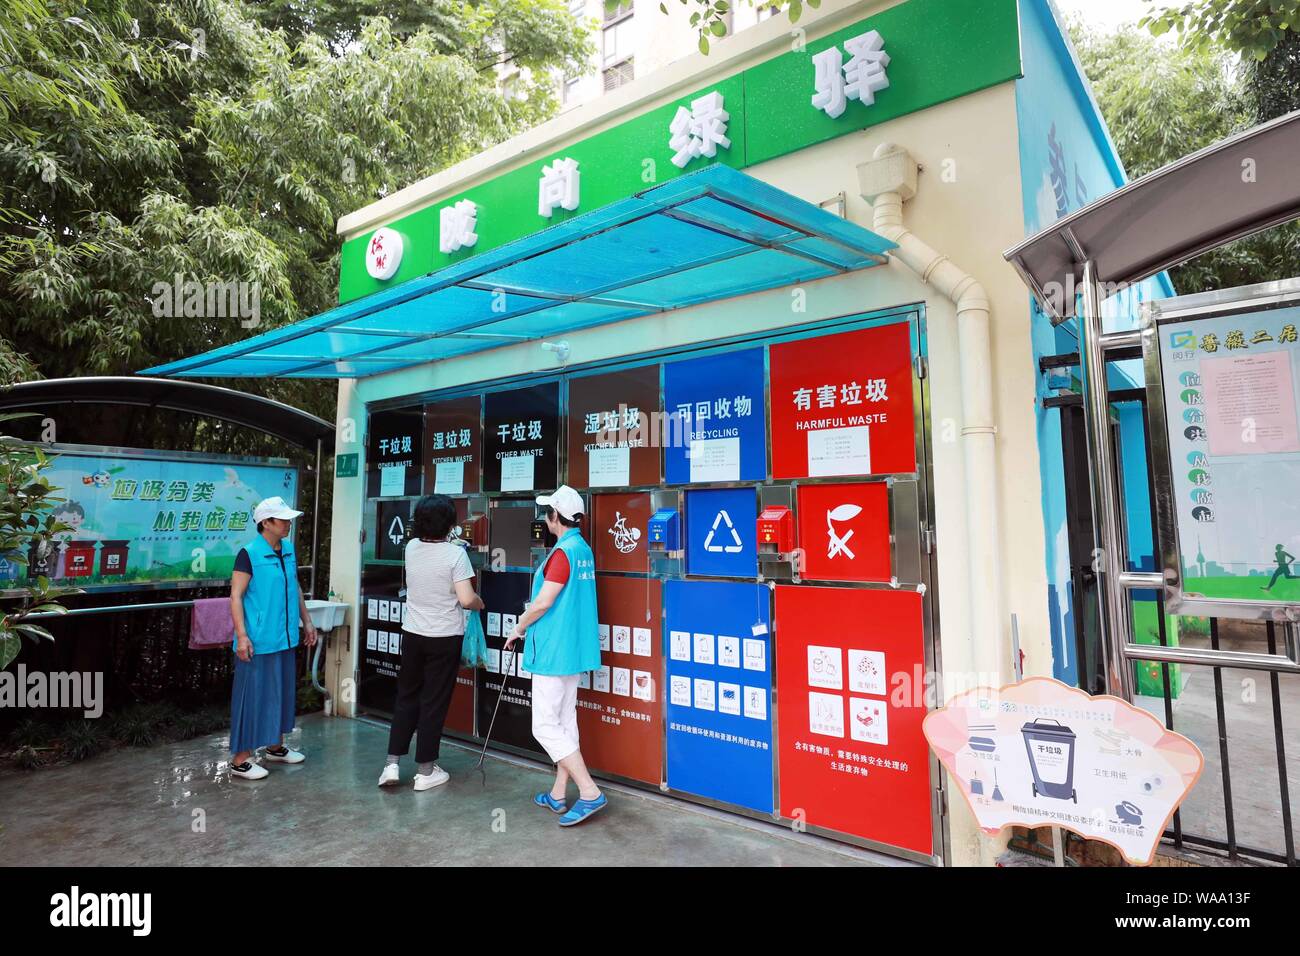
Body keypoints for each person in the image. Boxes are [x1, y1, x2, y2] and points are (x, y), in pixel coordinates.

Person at [504, 486, 606, 826]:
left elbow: (544, 602)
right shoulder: (583, 549)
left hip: (554, 650)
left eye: (547, 512)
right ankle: (558, 793)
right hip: (573, 650)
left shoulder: (563, 553)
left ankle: (589, 791)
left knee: (545, 726)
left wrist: (519, 627)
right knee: (564, 721)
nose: (544, 518)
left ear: (555, 517)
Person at [379, 494, 484, 790]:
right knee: (433, 701)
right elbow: (466, 599)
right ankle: (425, 772)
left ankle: (391, 765)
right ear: (449, 523)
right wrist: (479, 602)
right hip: (444, 638)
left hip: (413, 634)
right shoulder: (455, 555)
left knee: (406, 697)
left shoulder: (412, 547)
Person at [228, 496, 318, 780]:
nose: (288, 523)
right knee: (252, 698)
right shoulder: (249, 553)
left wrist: (307, 621)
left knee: (280, 692)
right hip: (258, 640)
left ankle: (275, 747)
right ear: (265, 523)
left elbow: (295, 587)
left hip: (285, 637)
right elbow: (236, 596)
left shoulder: (288, 550)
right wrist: (242, 636)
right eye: (283, 519)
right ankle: (240, 760)